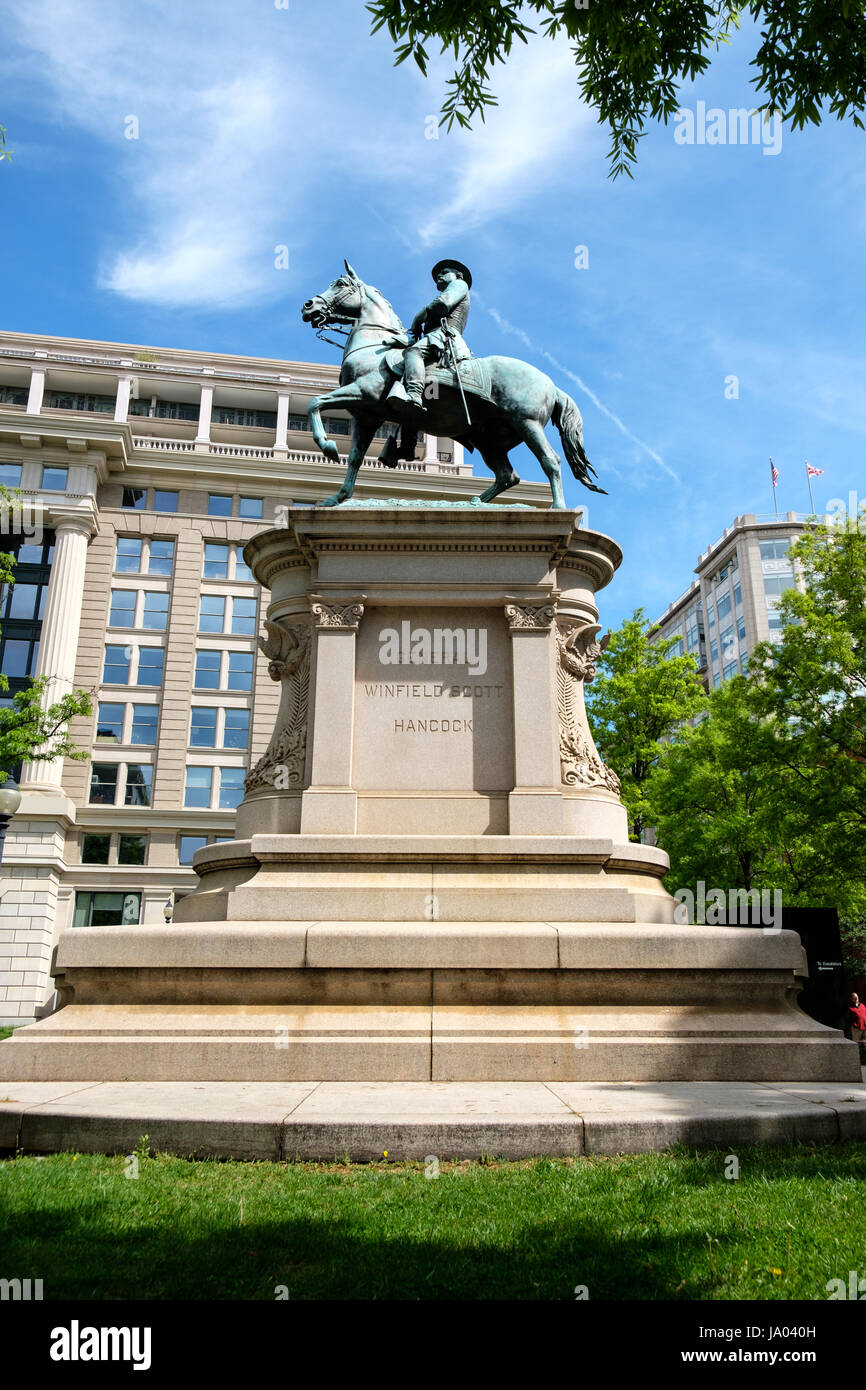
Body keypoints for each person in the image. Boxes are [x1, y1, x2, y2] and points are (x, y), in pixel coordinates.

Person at [388, 259, 472, 409]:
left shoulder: (460, 284)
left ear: (458, 275)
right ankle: (429, 396)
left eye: (444, 272)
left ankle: (414, 393)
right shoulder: (455, 285)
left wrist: (417, 319)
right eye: (439, 274)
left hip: (445, 335)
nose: (439, 275)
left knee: (414, 352)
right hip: (435, 336)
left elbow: (442, 304)